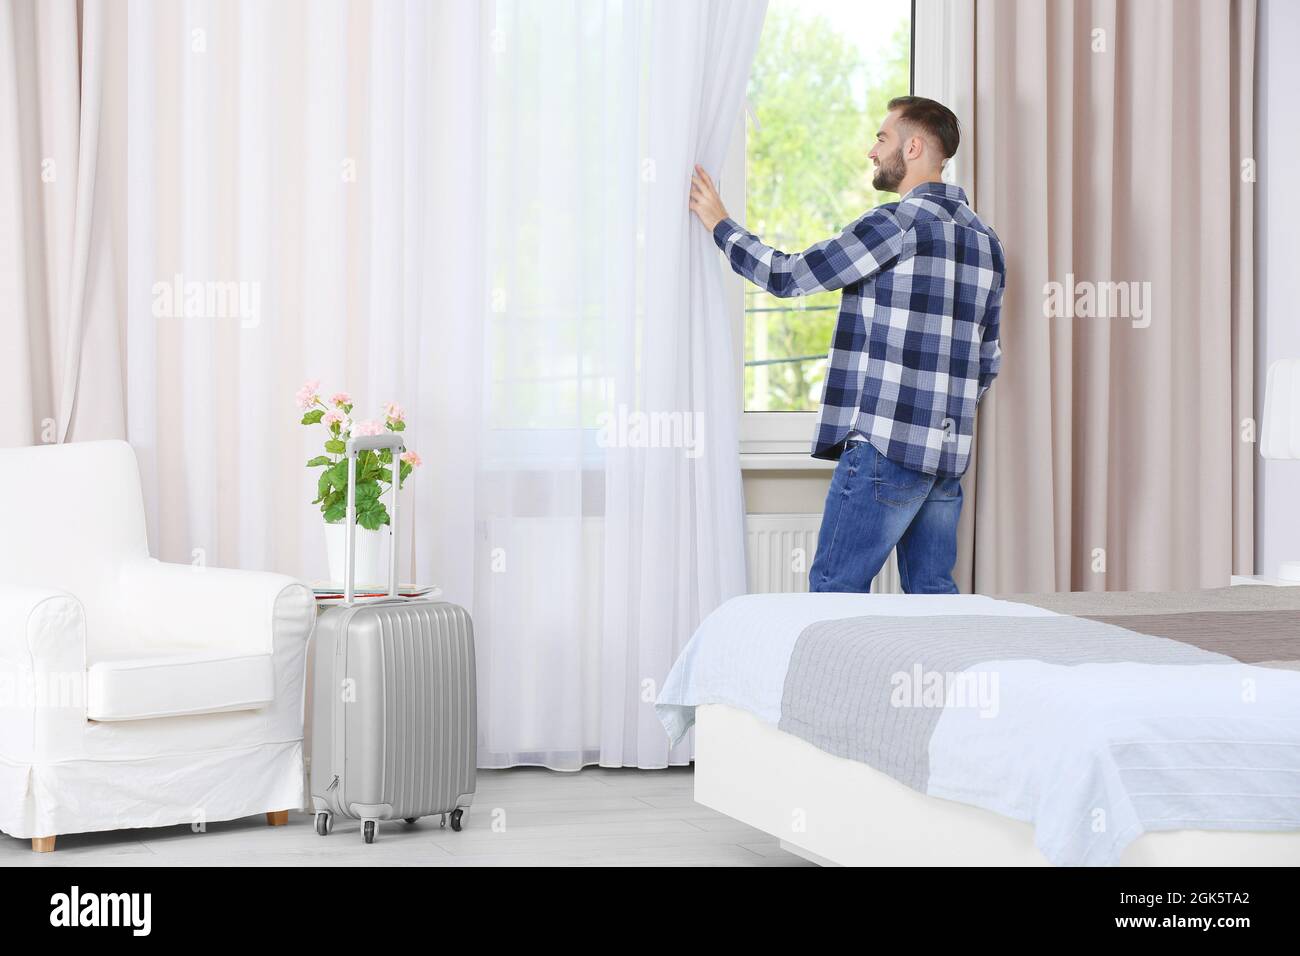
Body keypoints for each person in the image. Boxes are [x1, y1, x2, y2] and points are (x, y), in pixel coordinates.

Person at [688, 95, 1004, 594]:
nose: (871, 151)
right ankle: (941, 678)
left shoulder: (894, 226)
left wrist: (719, 225)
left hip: (884, 449)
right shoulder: (987, 242)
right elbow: (987, 362)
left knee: (832, 595)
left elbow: (789, 277)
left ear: (915, 146)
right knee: (935, 601)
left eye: (882, 137)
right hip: (945, 458)